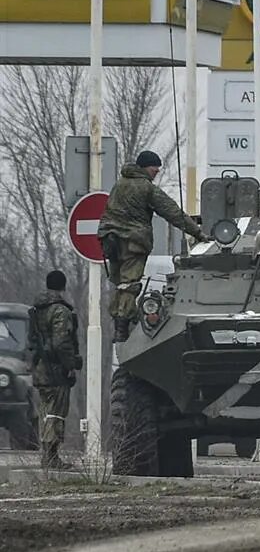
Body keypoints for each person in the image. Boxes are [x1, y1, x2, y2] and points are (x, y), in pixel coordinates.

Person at [100, 150, 206, 342]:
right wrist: (198, 233)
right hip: (133, 241)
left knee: (121, 284)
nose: (156, 171)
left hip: (110, 240)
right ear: (144, 167)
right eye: (154, 168)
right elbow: (172, 212)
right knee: (130, 284)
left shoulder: (119, 184)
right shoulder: (146, 188)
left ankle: (120, 320)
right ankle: (122, 327)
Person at [26, 270, 79, 471]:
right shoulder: (60, 311)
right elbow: (62, 342)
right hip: (55, 369)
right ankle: (51, 457)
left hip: (40, 368)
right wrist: (70, 365)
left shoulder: (37, 309)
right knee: (56, 413)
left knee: (46, 412)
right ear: (63, 286)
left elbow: (31, 341)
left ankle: (47, 456)